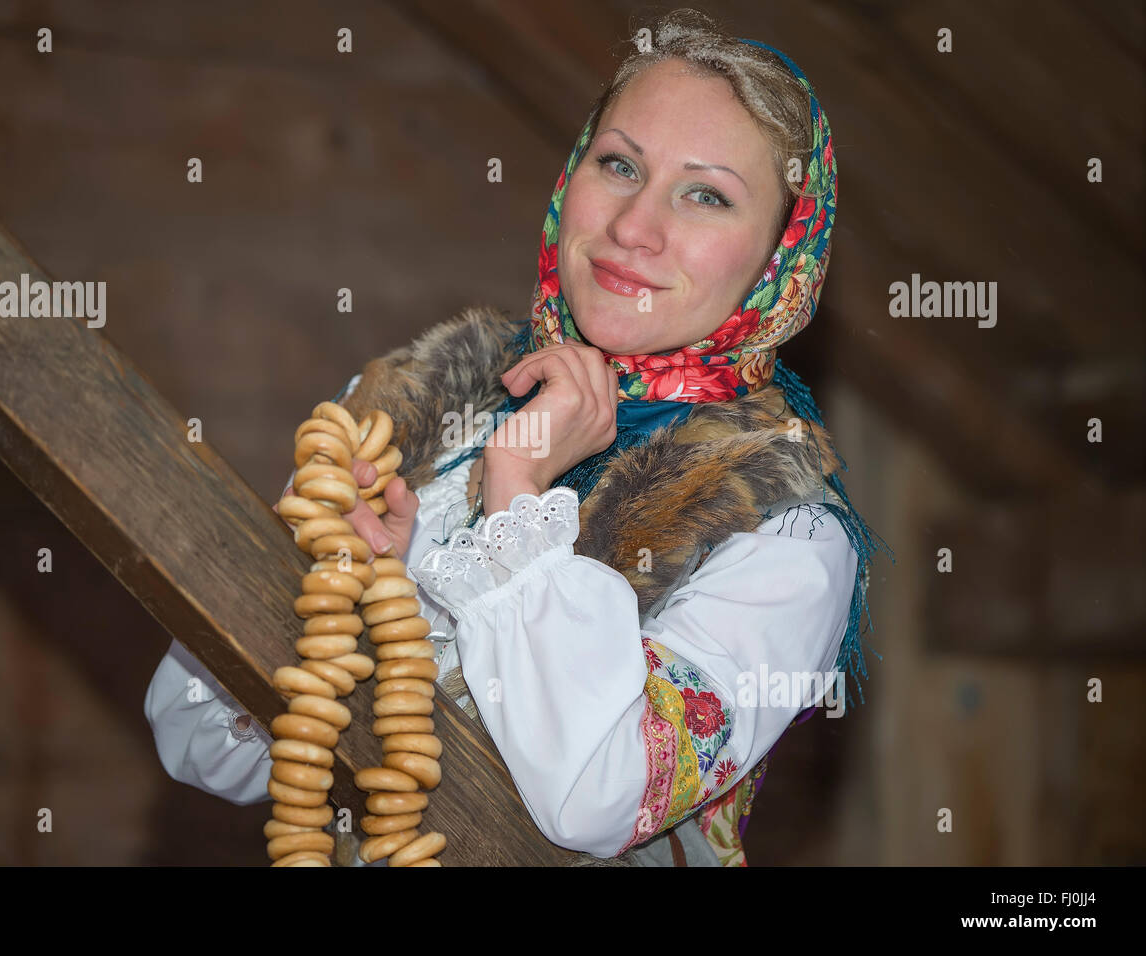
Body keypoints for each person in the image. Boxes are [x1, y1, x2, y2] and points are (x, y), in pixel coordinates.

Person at [144, 9, 890, 867]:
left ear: (779, 262)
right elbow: (195, 740)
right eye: (620, 165)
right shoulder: (417, 404)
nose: (633, 227)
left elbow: (595, 799)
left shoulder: (786, 533)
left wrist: (518, 494)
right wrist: (349, 596)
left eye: (706, 194)